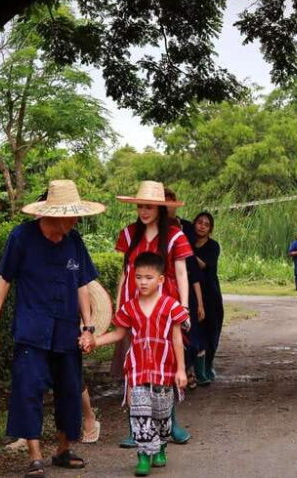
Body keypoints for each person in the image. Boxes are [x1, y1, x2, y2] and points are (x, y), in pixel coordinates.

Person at [0, 179, 103, 478]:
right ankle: (35, 456)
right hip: (31, 329)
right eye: (71, 216)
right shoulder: (21, 237)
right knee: (28, 390)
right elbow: (4, 280)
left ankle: (62, 450)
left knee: (69, 390)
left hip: (65, 331)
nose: (75, 221)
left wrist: (87, 327)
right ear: (54, 213)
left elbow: (82, 285)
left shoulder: (73, 241)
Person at [90, 251, 188, 475]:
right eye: (138, 277)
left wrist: (181, 370)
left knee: (162, 415)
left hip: (164, 370)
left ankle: (161, 446)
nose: (142, 282)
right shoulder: (129, 308)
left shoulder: (171, 307)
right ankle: (143, 455)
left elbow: (176, 338)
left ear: (161, 279)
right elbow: (118, 334)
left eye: (149, 278)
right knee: (140, 413)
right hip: (137, 370)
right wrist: (95, 342)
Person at [111, 180, 193, 447]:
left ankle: (169, 421)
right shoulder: (128, 233)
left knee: (165, 363)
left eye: (149, 206)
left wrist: (184, 307)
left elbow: (181, 272)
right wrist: (117, 304)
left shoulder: (175, 236)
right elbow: (125, 273)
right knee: (134, 364)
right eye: (140, 206)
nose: (143, 211)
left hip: (164, 305)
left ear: (160, 208)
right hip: (133, 306)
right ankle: (136, 427)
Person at [164, 188, 209, 387]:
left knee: (187, 331)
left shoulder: (184, 230)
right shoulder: (142, 230)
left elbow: (190, 269)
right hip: (157, 289)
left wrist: (196, 303)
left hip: (182, 289)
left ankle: (189, 370)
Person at [193, 211, 224, 381]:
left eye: (206, 224)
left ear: (210, 228)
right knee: (196, 329)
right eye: (199, 222)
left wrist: (186, 252)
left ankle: (208, 364)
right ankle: (196, 367)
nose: (202, 226)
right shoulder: (188, 242)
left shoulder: (213, 246)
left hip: (210, 293)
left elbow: (203, 264)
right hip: (192, 291)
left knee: (212, 328)